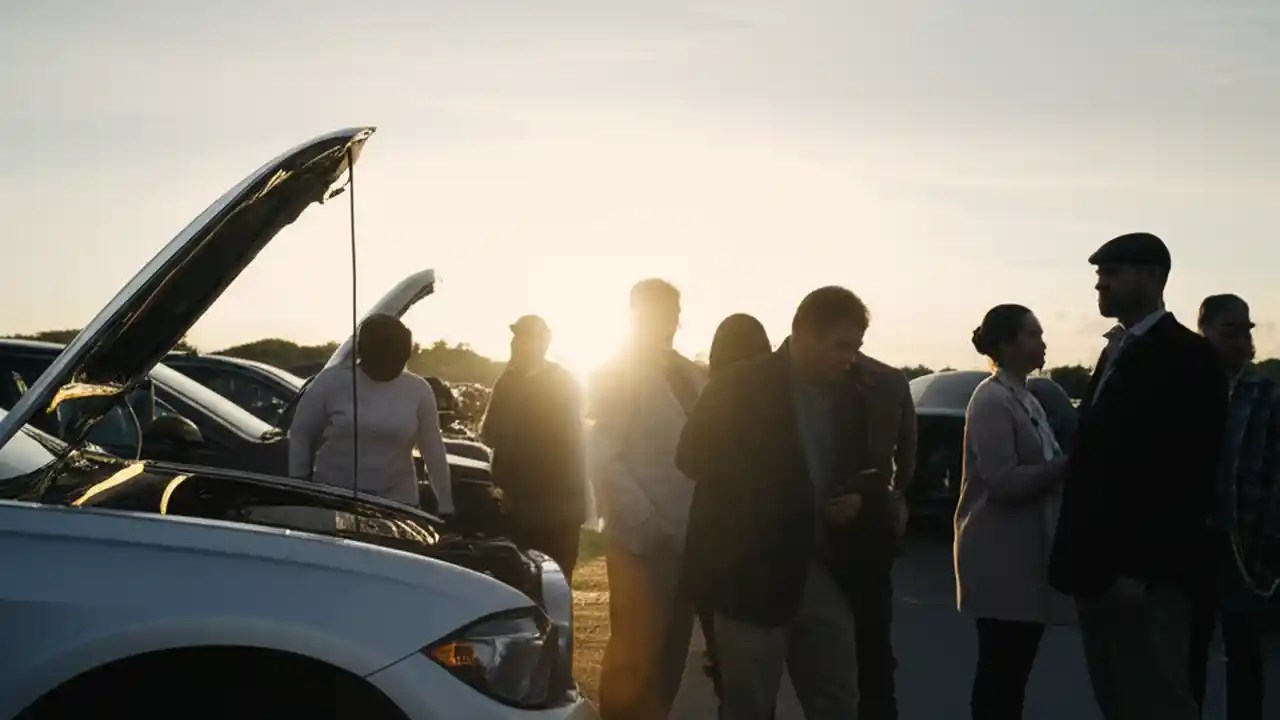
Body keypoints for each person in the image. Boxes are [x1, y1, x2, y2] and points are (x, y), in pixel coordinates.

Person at [1048, 233, 1227, 720]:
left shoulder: (1186, 355)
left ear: (1150, 276)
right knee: (1117, 699)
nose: (1099, 286)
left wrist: (1143, 570)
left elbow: (1186, 474)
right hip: (1098, 570)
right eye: (1098, 276)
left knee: (1157, 700)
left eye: (1111, 274)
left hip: (1143, 580)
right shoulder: (1118, 349)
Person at [677, 286, 872, 720]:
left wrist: (858, 500)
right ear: (803, 332)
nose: (850, 358)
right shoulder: (740, 386)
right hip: (750, 578)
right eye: (842, 345)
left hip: (822, 573)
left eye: (856, 347)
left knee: (838, 702)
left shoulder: (850, 398)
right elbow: (690, 457)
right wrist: (776, 498)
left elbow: (858, 471)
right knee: (748, 707)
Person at [588, 279, 707, 720]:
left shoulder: (695, 373)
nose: (667, 319)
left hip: (689, 538)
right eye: (655, 311)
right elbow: (601, 454)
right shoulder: (618, 370)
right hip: (640, 541)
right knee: (633, 655)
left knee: (672, 652)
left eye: (672, 310)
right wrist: (647, 520)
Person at [954, 304, 1074, 719]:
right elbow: (1002, 483)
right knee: (1001, 676)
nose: (1043, 343)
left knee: (1012, 673)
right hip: (1000, 560)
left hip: (1025, 558)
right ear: (1006, 344)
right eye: (1033, 335)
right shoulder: (991, 400)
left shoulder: (1025, 396)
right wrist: (1066, 466)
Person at [1189, 294, 1280, 720]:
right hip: (1189, 547)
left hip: (1248, 547)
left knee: (1245, 659)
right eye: (1229, 330)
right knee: (1186, 659)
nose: (1241, 339)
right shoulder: (1182, 389)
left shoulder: (1266, 394)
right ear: (1203, 332)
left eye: (1247, 330)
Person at [288, 314, 454, 515]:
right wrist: (300, 485)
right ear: (364, 353)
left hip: (397, 504)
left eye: (400, 361)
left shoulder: (419, 390)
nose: (394, 367)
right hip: (333, 500)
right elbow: (301, 434)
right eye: (387, 359)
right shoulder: (330, 382)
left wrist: (446, 504)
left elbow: (433, 448)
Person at [830, 347, 916, 720]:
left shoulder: (814, 380)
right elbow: (908, 458)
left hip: (825, 517)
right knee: (875, 644)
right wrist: (895, 495)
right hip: (874, 520)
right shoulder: (892, 380)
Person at [699, 313, 773, 704]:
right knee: (758, 673)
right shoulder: (777, 399)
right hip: (759, 555)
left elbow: (687, 459)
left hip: (716, 551)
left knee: (731, 672)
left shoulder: (711, 396)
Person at [480, 315, 586, 581]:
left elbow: (562, 438)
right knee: (519, 581)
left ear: (543, 342)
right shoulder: (508, 382)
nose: (516, 344)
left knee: (555, 581)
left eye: (524, 337)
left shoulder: (563, 382)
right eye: (515, 337)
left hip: (557, 504)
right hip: (518, 504)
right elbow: (488, 433)